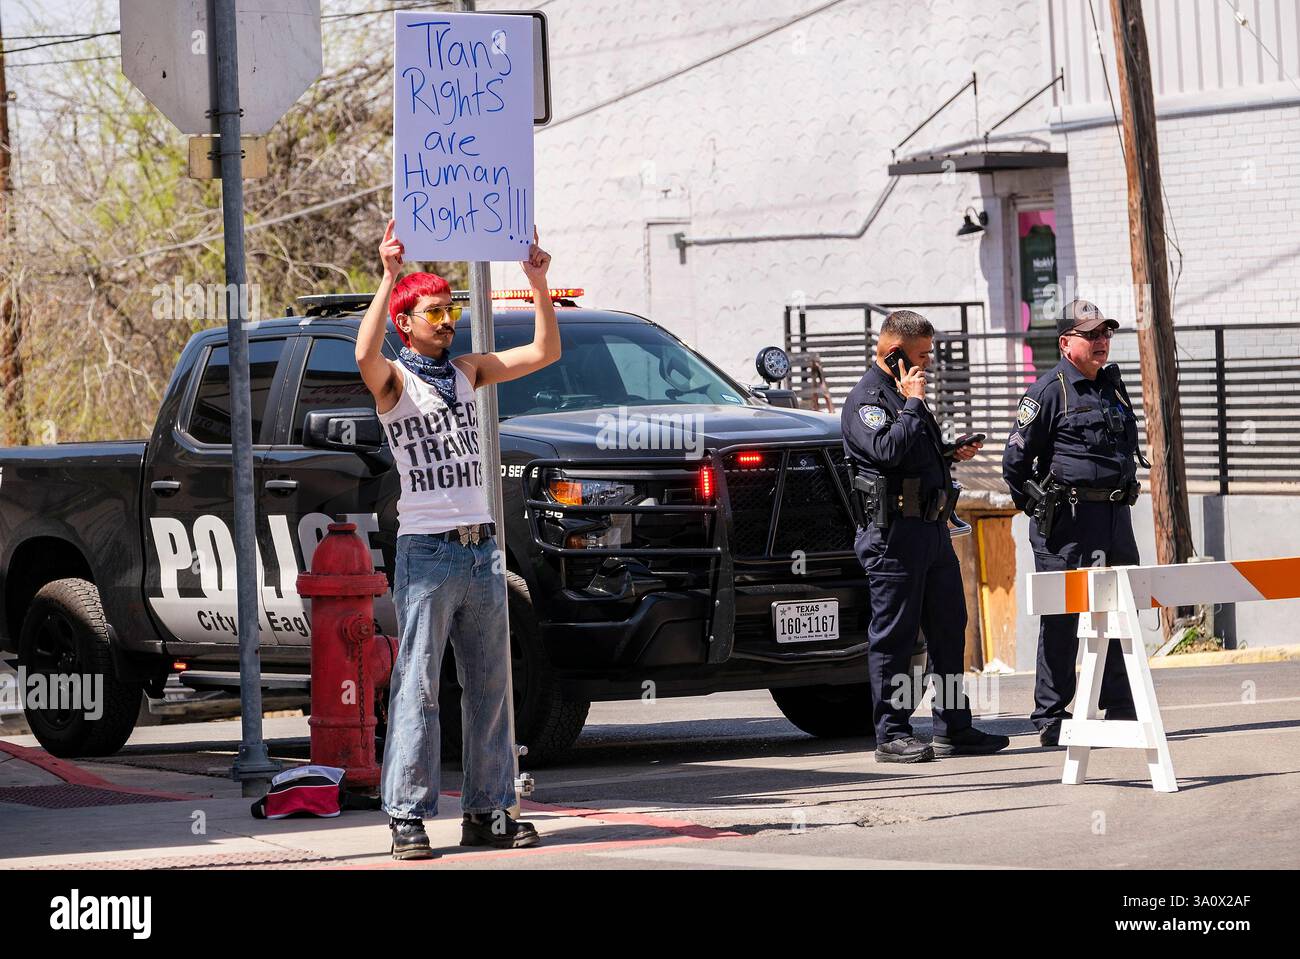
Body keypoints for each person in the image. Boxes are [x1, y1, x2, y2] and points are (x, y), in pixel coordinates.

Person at [355, 220, 560, 859]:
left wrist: (538, 284)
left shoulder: (467, 370)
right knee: (418, 686)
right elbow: (362, 356)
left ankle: (488, 810)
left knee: (491, 688)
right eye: (433, 312)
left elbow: (543, 353)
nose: (447, 321)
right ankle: (407, 817)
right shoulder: (395, 381)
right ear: (404, 322)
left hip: (480, 548)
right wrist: (388, 273)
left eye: (451, 309)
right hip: (428, 549)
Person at [842, 310, 1010, 763]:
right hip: (893, 537)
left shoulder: (900, 397)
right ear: (894, 354)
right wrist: (914, 402)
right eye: (921, 355)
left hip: (931, 531)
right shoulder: (867, 401)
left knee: (949, 630)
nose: (928, 365)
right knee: (895, 636)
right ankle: (891, 733)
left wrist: (949, 452)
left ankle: (953, 726)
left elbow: (914, 453)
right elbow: (886, 450)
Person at [1002, 299, 1143, 748]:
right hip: (1068, 525)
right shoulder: (1047, 390)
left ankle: (1119, 705)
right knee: (1061, 618)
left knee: (1120, 611)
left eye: (1105, 334)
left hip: (1114, 519)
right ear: (1066, 343)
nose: (1102, 341)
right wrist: (1042, 509)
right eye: (1091, 334)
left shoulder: (1111, 386)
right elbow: (1015, 463)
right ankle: (1052, 715)